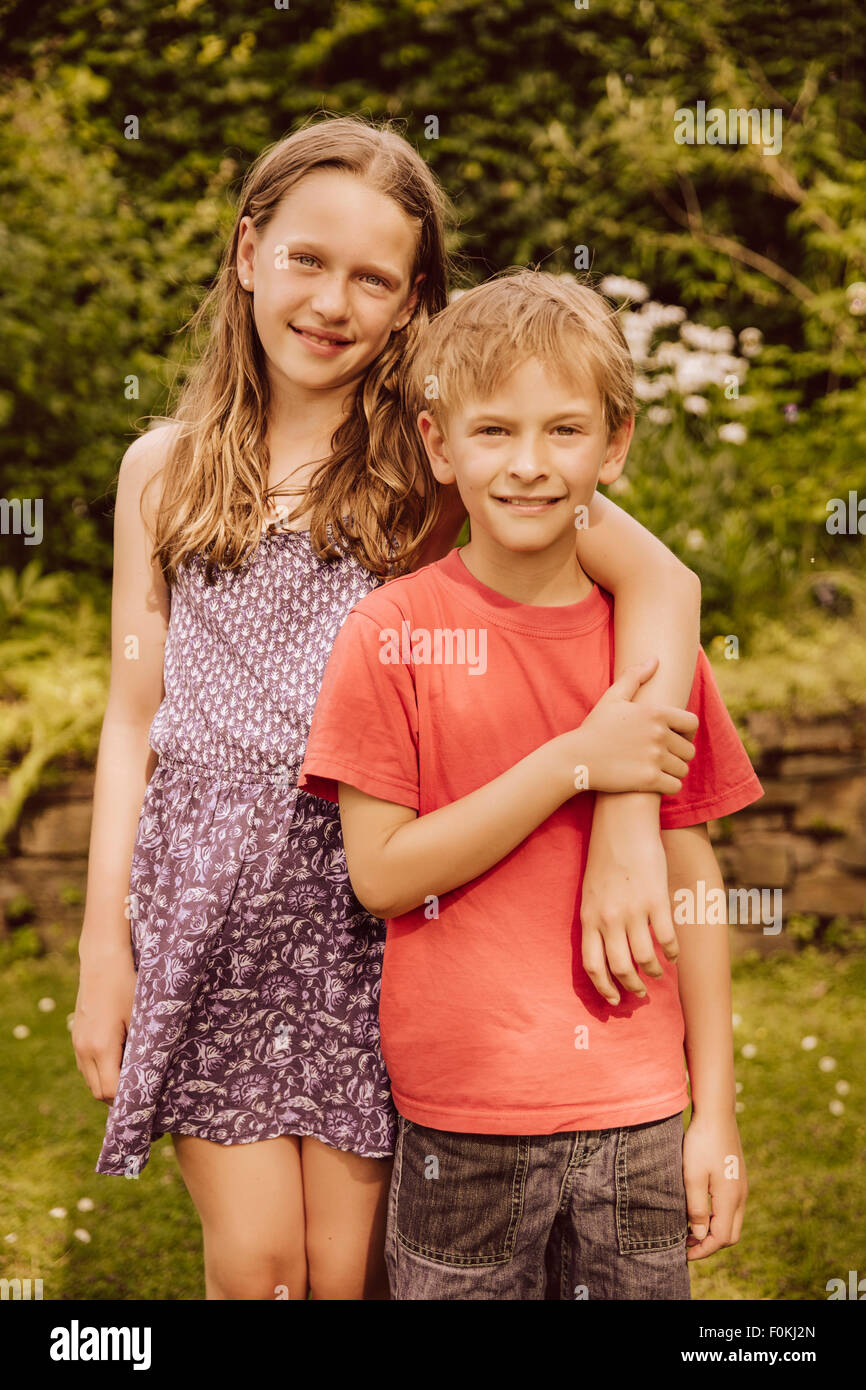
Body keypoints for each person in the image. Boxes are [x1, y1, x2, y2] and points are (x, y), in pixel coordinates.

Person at [73, 117, 701, 1302]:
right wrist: (106, 943)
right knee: (257, 1269)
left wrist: (622, 817)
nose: (331, 300)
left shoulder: (436, 468)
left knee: (351, 1266)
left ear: (413, 304)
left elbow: (663, 584)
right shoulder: (159, 468)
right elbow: (131, 711)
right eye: (308, 259)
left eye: (374, 278)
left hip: (382, 898)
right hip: (207, 905)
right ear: (248, 251)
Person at [299, 269, 764, 1300]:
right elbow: (379, 873)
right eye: (494, 431)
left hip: (637, 1118)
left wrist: (716, 1109)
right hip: (459, 1127)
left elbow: (690, 875)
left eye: (563, 431)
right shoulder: (389, 637)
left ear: (615, 444)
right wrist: (571, 762)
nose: (527, 465)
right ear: (437, 446)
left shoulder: (650, 649)